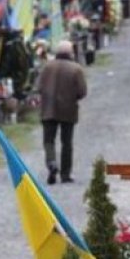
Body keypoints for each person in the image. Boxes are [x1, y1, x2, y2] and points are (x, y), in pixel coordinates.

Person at [35, 40, 87, 184]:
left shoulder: (47, 67)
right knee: (67, 143)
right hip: (68, 110)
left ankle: (51, 163)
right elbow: (82, 92)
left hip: (48, 109)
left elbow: (38, 87)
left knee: (48, 140)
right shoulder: (76, 69)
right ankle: (65, 174)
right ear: (70, 53)